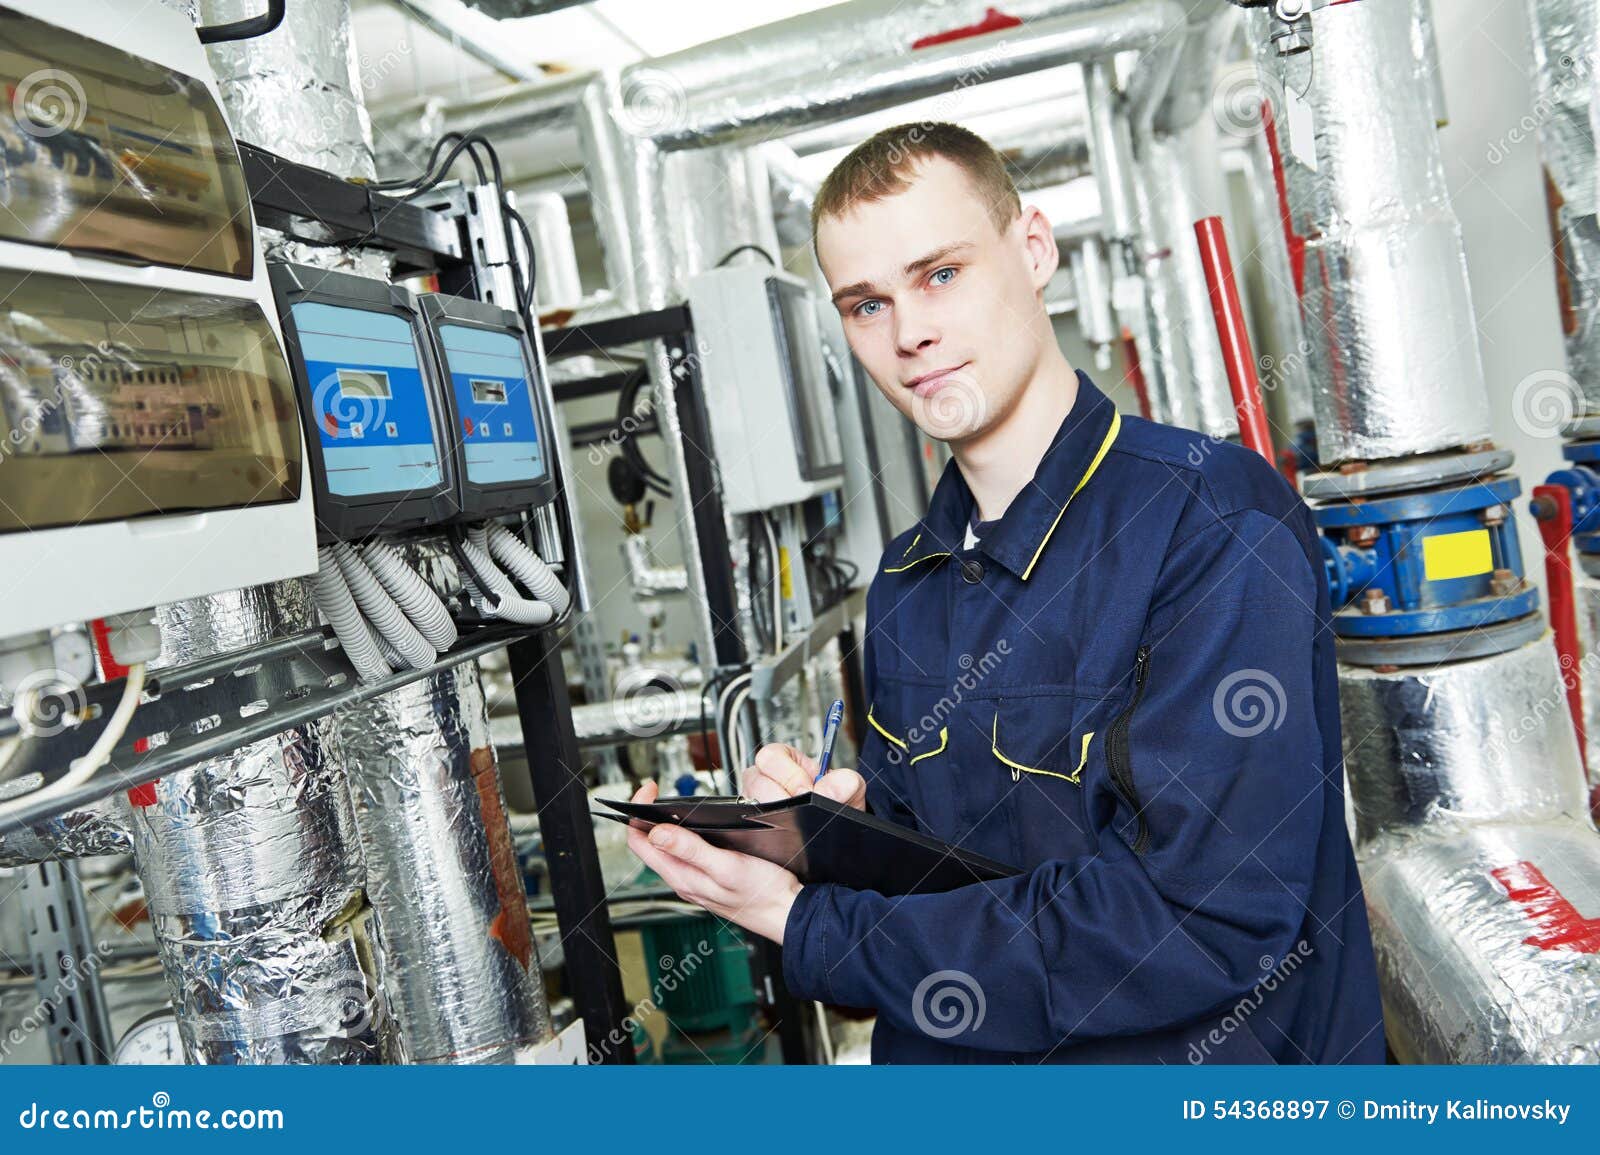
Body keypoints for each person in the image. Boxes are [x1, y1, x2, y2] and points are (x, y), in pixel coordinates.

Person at [626, 122, 1385, 1064]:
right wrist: (820, 839)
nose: (909, 334)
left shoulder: (1211, 521)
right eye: (867, 304)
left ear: (1033, 249)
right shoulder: (906, 582)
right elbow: (934, 883)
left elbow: (1200, 923)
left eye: (941, 274)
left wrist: (814, 924)